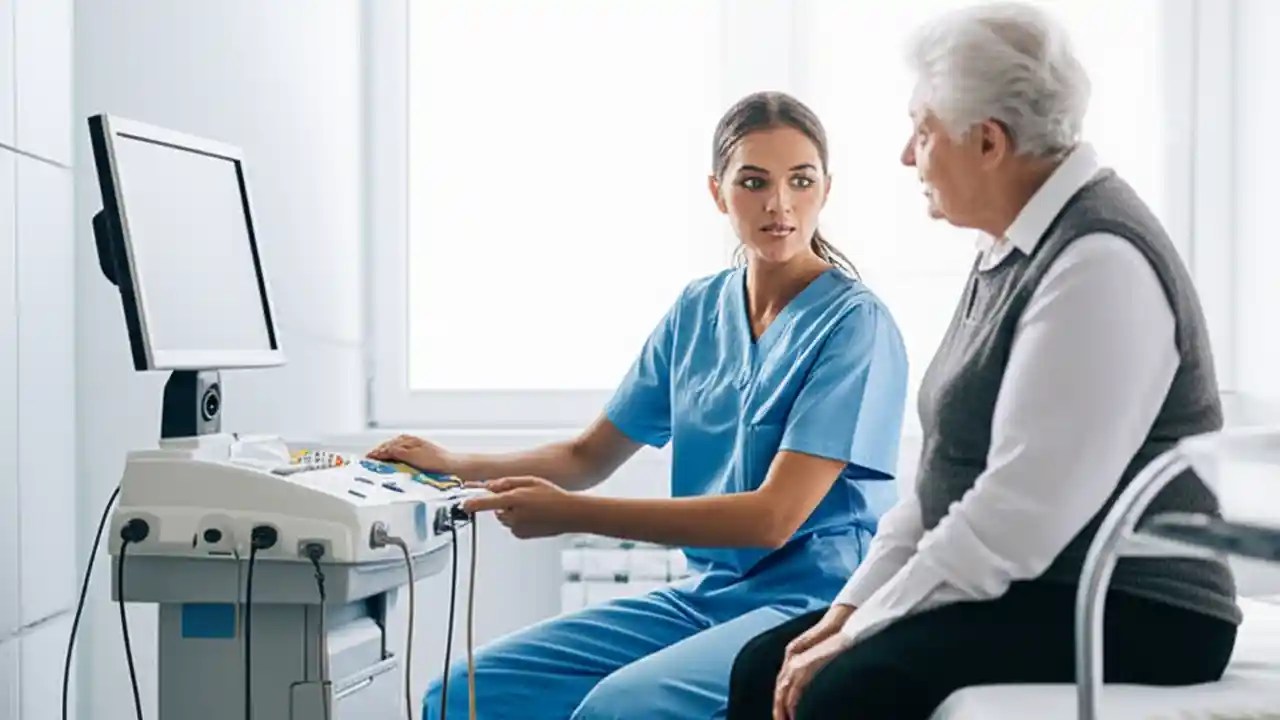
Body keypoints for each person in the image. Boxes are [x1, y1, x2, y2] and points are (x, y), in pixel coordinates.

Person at [727, 5, 1241, 720]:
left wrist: (865, 634)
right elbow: (944, 477)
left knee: (847, 691)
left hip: (1138, 608)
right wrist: (846, 612)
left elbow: (1013, 522)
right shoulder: (1008, 247)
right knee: (763, 668)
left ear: (989, 143)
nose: (908, 155)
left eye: (923, 129)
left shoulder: (1098, 262)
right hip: (1036, 586)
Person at [368, 91, 909, 720]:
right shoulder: (697, 310)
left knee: (620, 710)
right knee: (460, 697)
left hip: (812, 603)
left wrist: (575, 515)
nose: (779, 205)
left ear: (826, 188)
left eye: (801, 181)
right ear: (718, 193)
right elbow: (586, 456)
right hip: (707, 595)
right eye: (754, 182)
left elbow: (772, 519)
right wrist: (454, 462)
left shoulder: (854, 325)